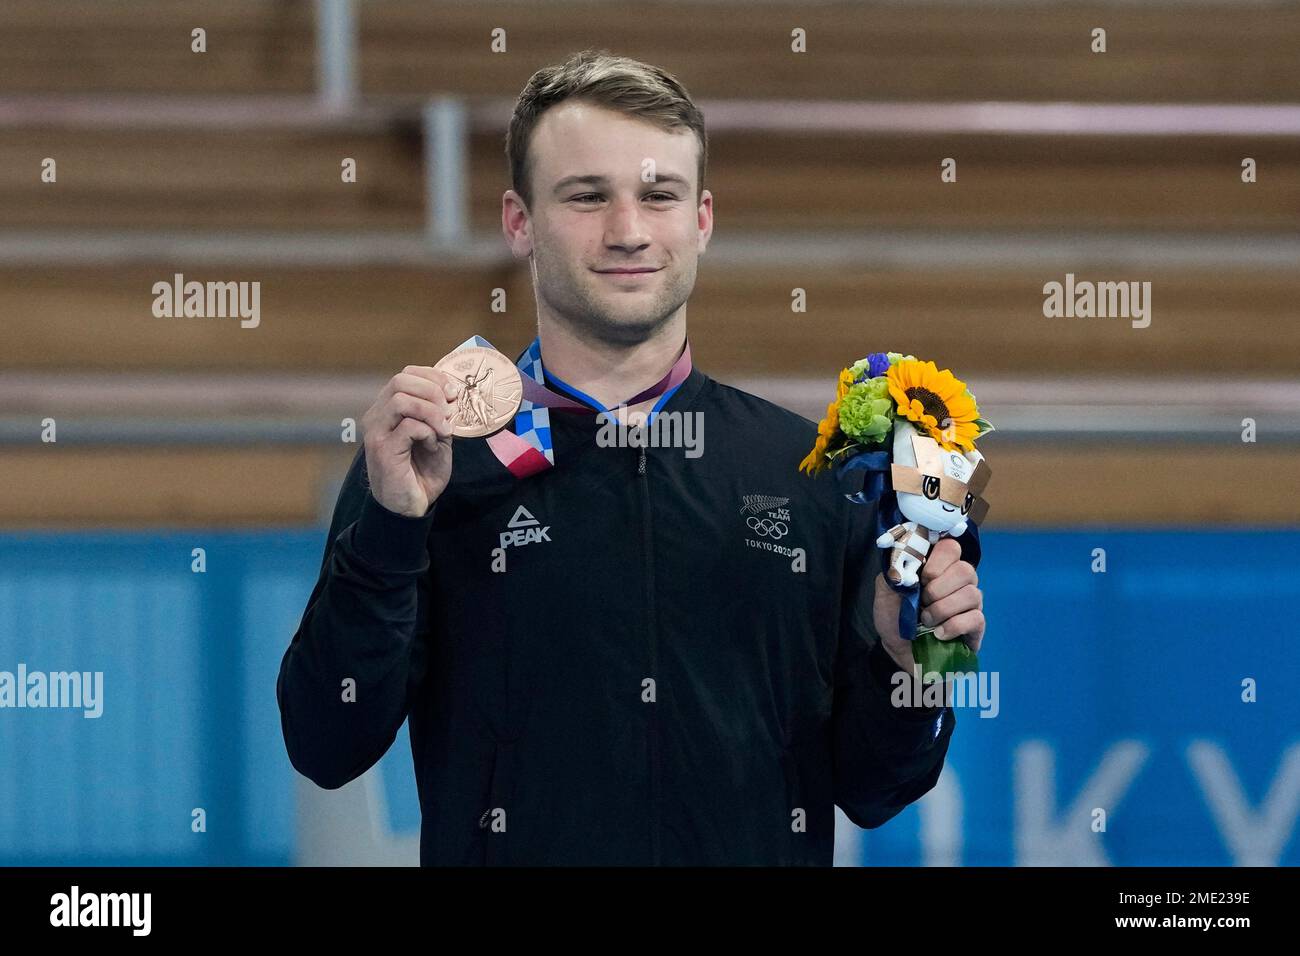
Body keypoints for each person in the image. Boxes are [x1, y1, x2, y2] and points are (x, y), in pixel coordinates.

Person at [277, 49, 986, 866]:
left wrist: (912, 670)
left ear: (702, 219)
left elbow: (875, 790)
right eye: (587, 197)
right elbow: (325, 744)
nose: (628, 231)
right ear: (518, 221)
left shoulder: (807, 476)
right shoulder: (433, 468)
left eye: (659, 196)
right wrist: (391, 533)